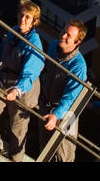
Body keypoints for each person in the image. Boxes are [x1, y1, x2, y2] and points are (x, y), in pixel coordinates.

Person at [0, 0, 45, 160]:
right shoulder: (14, 32)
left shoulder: (34, 44)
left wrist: (17, 90)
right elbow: (4, 53)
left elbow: (31, 72)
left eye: (28, 17)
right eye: (22, 15)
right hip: (5, 79)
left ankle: (16, 159)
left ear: (34, 22)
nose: (23, 19)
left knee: (17, 129)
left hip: (24, 88)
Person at [38, 20, 88, 162]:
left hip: (67, 113)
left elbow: (70, 97)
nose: (63, 36)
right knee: (45, 148)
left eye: (68, 35)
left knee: (63, 154)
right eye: (63, 31)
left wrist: (56, 115)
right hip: (46, 104)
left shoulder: (79, 66)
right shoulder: (54, 46)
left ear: (77, 42)